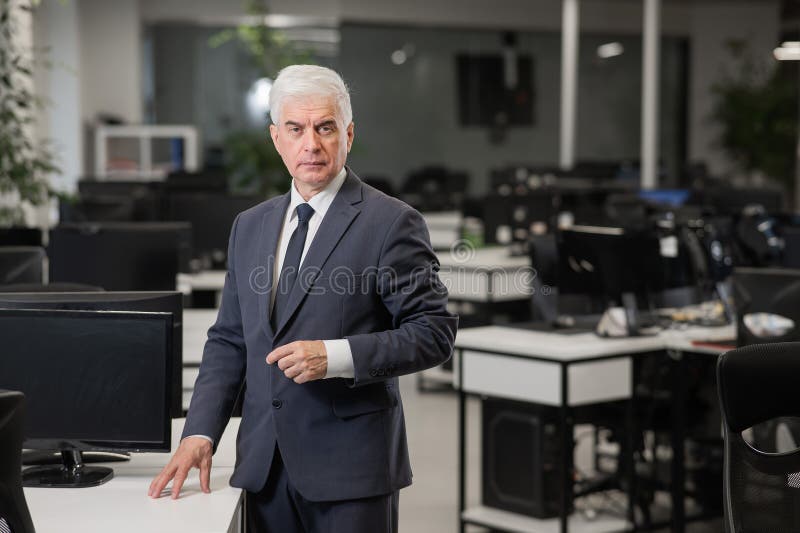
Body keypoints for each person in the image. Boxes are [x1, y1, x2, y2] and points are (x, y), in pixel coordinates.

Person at [148, 64, 458, 533]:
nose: (310, 143)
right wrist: (199, 431)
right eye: (295, 129)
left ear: (348, 135)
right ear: (277, 139)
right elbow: (229, 340)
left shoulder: (391, 222)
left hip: (351, 472)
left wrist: (334, 356)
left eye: (325, 127)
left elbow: (433, 333)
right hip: (263, 468)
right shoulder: (250, 226)